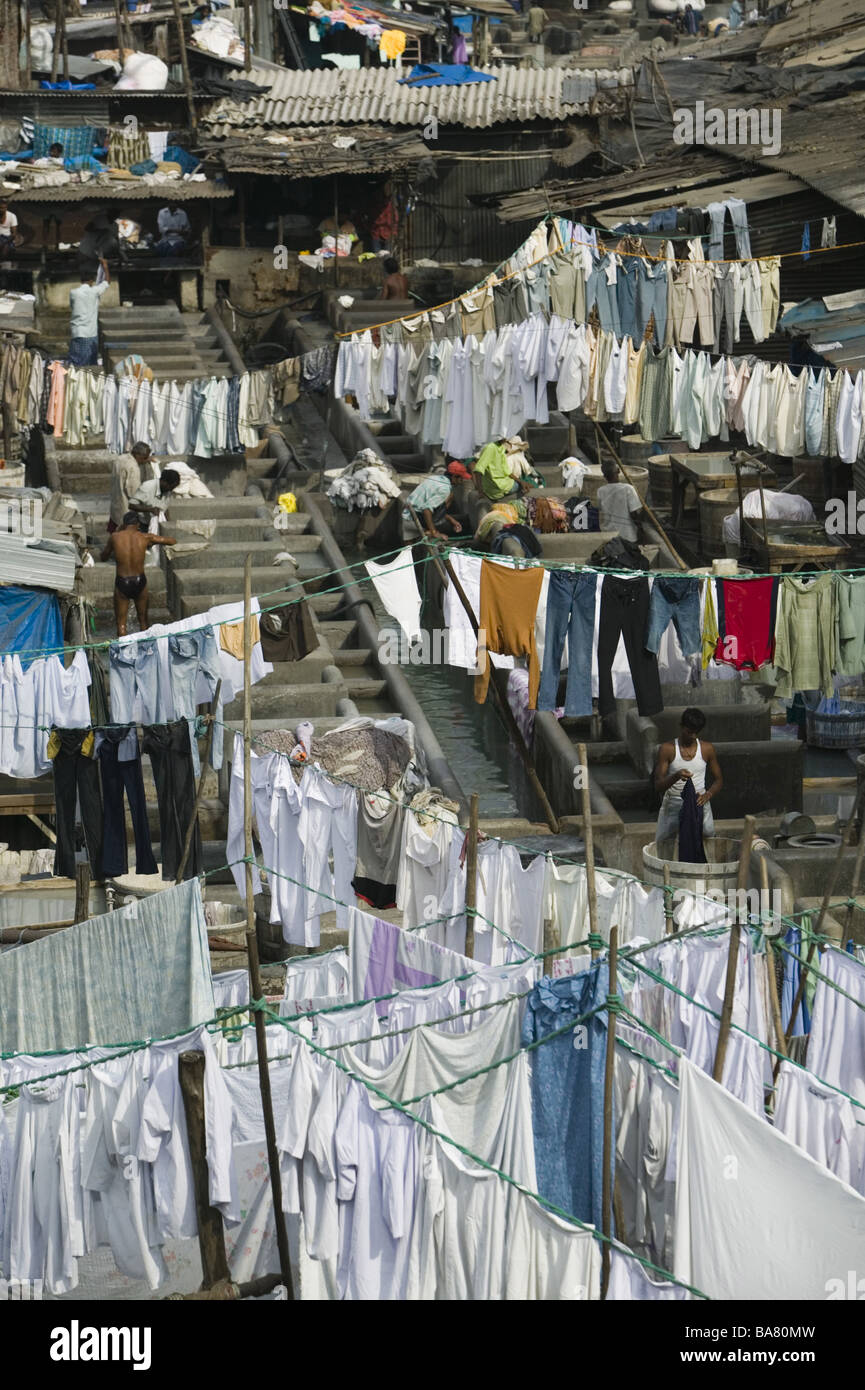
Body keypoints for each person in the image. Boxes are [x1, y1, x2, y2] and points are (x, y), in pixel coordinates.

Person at [654, 707, 723, 845]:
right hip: (674, 802)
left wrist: (707, 795)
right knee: (663, 844)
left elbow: (719, 780)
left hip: (699, 801)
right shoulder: (667, 749)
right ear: (681, 727)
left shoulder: (707, 749)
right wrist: (676, 776)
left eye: (696, 733)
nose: (693, 736)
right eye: (689, 732)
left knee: (708, 836)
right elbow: (658, 785)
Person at [100, 511, 176, 635]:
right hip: (139, 580)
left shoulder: (115, 537)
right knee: (143, 622)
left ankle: (123, 652)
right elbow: (171, 541)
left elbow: (103, 557)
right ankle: (145, 651)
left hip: (122, 581)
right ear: (137, 524)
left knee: (121, 624)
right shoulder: (145, 537)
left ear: (124, 524)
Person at [68, 262, 109, 367]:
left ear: (81, 281)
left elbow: (72, 307)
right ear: (92, 281)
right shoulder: (94, 291)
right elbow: (106, 282)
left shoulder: (73, 293)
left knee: (76, 363)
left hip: (77, 332)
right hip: (90, 334)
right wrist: (105, 267)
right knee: (90, 365)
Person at [596, 458, 644, 542]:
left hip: (609, 536)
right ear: (618, 471)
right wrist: (641, 528)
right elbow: (634, 515)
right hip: (628, 537)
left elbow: (600, 511)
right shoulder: (628, 489)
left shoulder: (600, 491)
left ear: (604, 476)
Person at [403, 473, 463, 539]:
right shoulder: (445, 489)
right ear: (454, 477)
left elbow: (436, 510)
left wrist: (451, 519)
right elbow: (426, 509)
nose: (462, 481)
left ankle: (429, 530)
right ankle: (428, 531)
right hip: (415, 519)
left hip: (406, 515)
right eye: (461, 478)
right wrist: (434, 532)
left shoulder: (435, 478)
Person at [109, 441, 150, 531]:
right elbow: (133, 492)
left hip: (115, 502)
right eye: (145, 457)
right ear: (138, 455)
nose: (145, 460)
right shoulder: (133, 468)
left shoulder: (120, 458)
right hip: (125, 508)